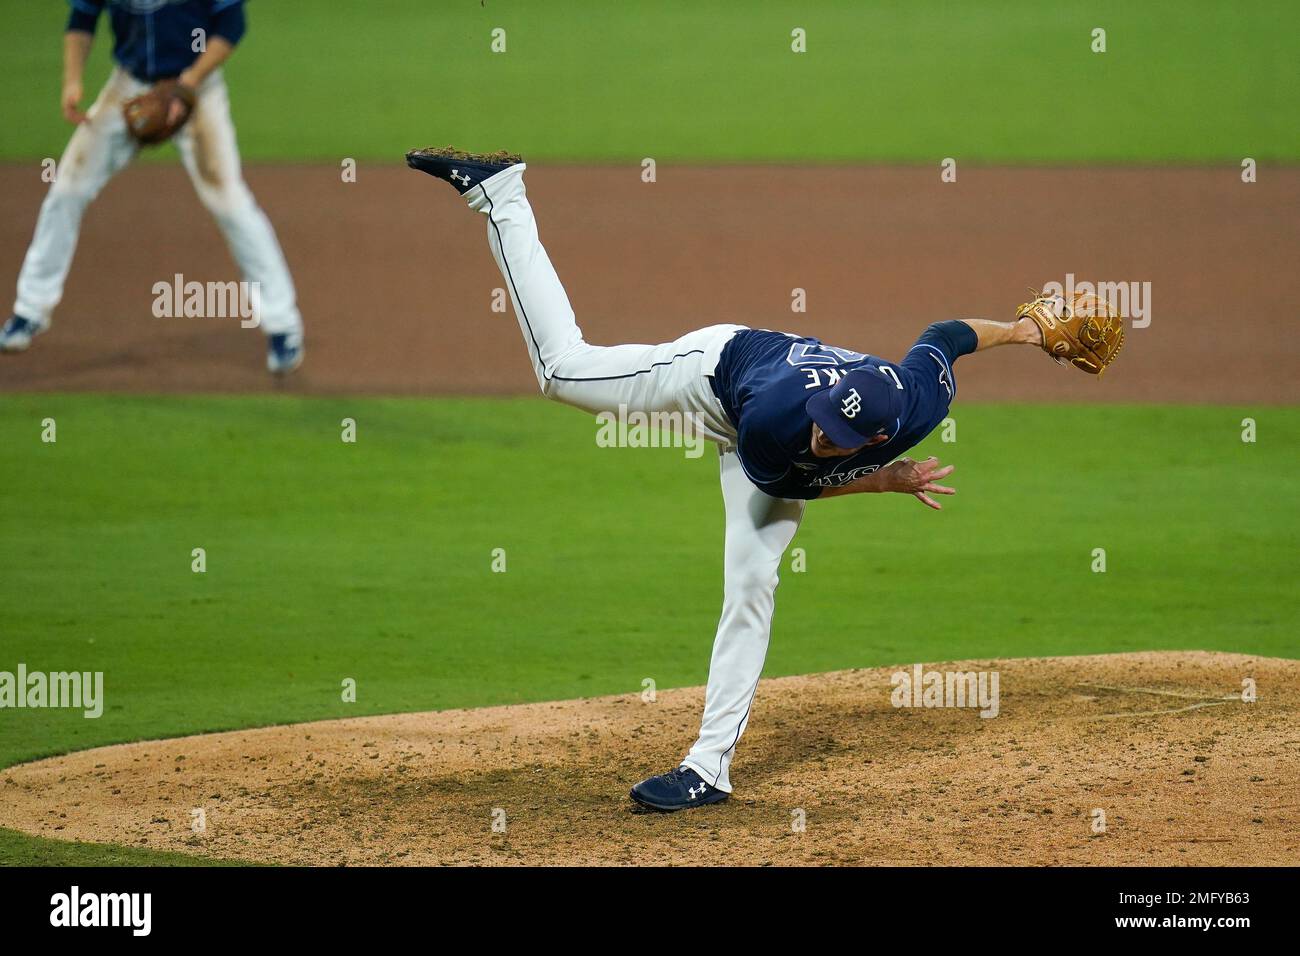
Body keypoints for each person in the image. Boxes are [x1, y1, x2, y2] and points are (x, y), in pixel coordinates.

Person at [405, 146, 1123, 812]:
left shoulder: (917, 398)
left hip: (774, 406)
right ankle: (503, 193)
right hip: (712, 376)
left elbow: (945, 336)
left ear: (878, 431)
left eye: (838, 438)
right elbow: (801, 478)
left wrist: (1026, 333)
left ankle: (708, 767)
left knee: (751, 583)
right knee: (561, 372)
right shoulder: (783, 424)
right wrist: (883, 482)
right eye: (824, 428)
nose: (824, 437)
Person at [2, 0, 304, 374]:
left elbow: (231, 28)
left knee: (230, 202)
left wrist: (187, 86)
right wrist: (73, 79)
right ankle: (30, 310)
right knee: (68, 187)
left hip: (198, 88)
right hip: (129, 86)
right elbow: (82, 17)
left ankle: (283, 325)